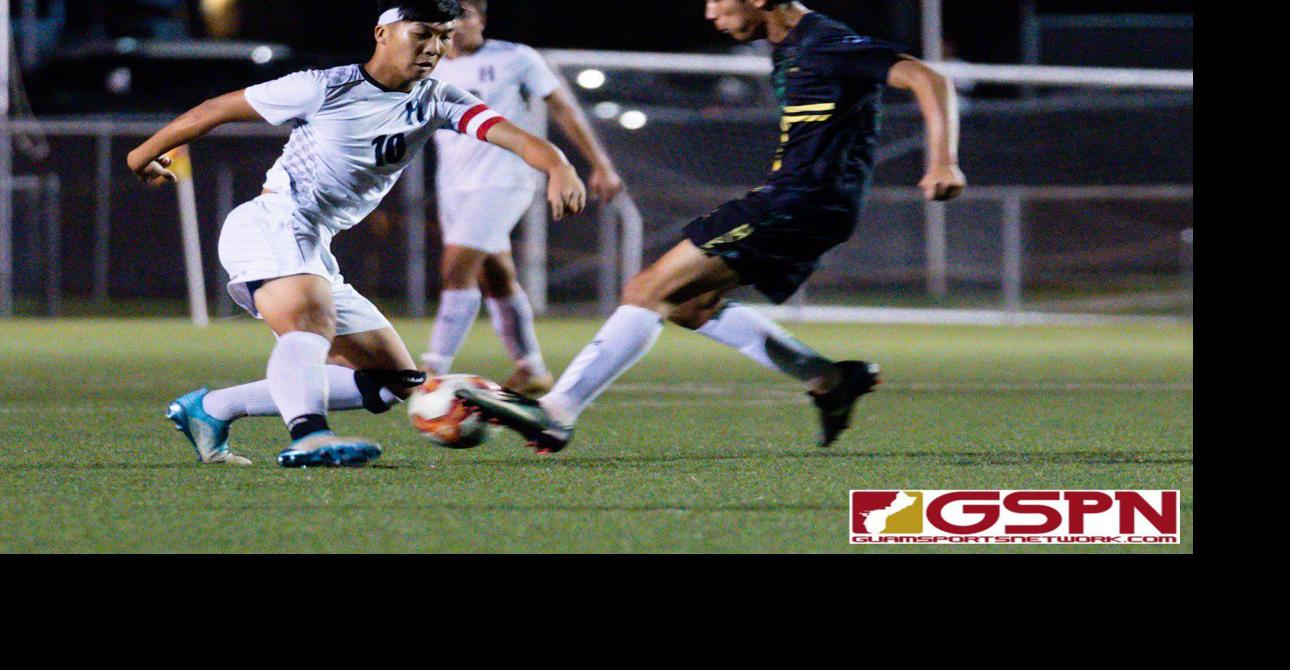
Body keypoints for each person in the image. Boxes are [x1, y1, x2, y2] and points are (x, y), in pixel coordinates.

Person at [456, 0, 965, 454]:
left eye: (718, 1)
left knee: (647, 289)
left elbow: (928, 78)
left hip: (799, 204)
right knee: (688, 303)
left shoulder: (826, 41)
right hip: (801, 203)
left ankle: (558, 413)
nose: (709, 14)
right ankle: (829, 379)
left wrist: (943, 161)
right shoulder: (785, 45)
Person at [127, 0, 586, 467]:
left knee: (394, 383)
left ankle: (210, 409)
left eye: (444, 36)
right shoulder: (324, 86)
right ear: (383, 33)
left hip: (314, 244)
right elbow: (216, 109)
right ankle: (309, 436)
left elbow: (511, 135)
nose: (435, 47)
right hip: (273, 223)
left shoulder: (438, 99)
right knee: (310, 322)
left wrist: (558, 164)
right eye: (422, 33)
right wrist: (141, 155)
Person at [423, 0, 624, 397]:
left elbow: (564, 109)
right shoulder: (431, 64)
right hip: (453, 185)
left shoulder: (515, 57)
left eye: (462, 14)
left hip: (504, 179)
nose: (454, 24)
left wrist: (600, 164)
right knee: (495, 275)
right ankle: (531, 367)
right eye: (446, 16)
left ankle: (430, 370)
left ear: (480, 19)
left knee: (456, 268)